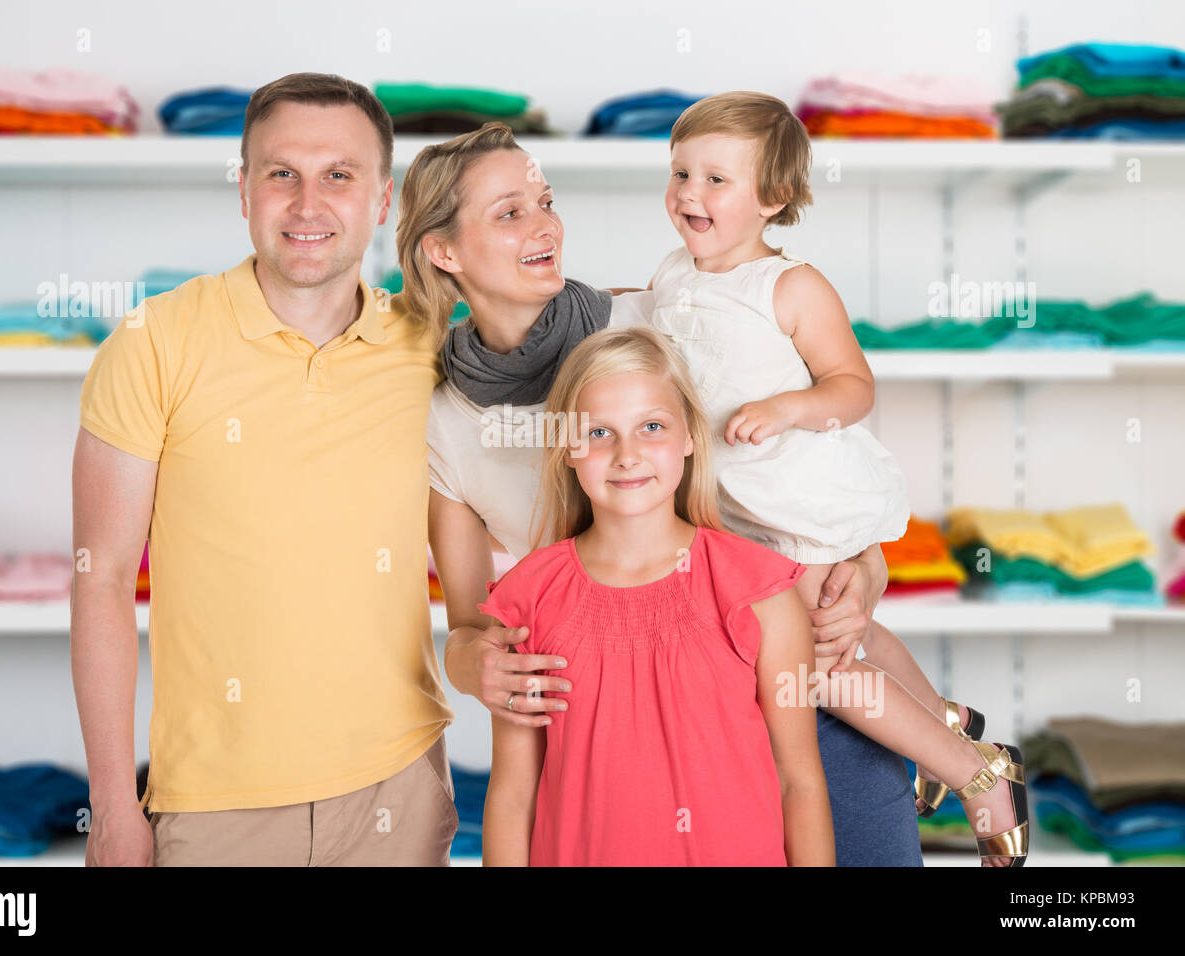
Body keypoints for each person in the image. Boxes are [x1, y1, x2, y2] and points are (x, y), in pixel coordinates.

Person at [399, 122, 924, 865]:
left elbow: (795, 460)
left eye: (544, 200)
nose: (545, 224)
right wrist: (476, 667)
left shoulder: (651, 320)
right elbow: (467, 627)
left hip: (790, 691)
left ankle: (967, 759)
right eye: (509, 212)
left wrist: (865, 559)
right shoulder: (446, 423)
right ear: (444, 251)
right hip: (622, 741)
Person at [71, 73, 456, 867]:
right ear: (243, 189)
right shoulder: (153, 342)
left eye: (338, 176)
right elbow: (102, 577)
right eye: (282, 173)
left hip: (398, 791)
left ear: (383, 200)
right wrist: (111, 807)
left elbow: (581, 333)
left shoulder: (432, 345)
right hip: (216, 805)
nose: (308, 204)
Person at [637, 90, 1027, 866]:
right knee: (849, 634)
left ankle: (975, 773)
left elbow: (854, 384)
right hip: (735, 511)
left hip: (798, 500)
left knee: (817, 665)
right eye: (681, 172)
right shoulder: (673, 272)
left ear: (773, 198)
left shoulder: (791, 287)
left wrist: (788, 407)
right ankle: (941, 720)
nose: (689, 192)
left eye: (717, 179)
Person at [480, 327, 833, 865]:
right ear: (567, 449)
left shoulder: (757, 593)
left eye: (651, 427)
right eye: (599, 432)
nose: (627, 455)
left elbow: (799, 782)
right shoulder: (528, 598)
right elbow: (511, 796)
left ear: (690, 436)